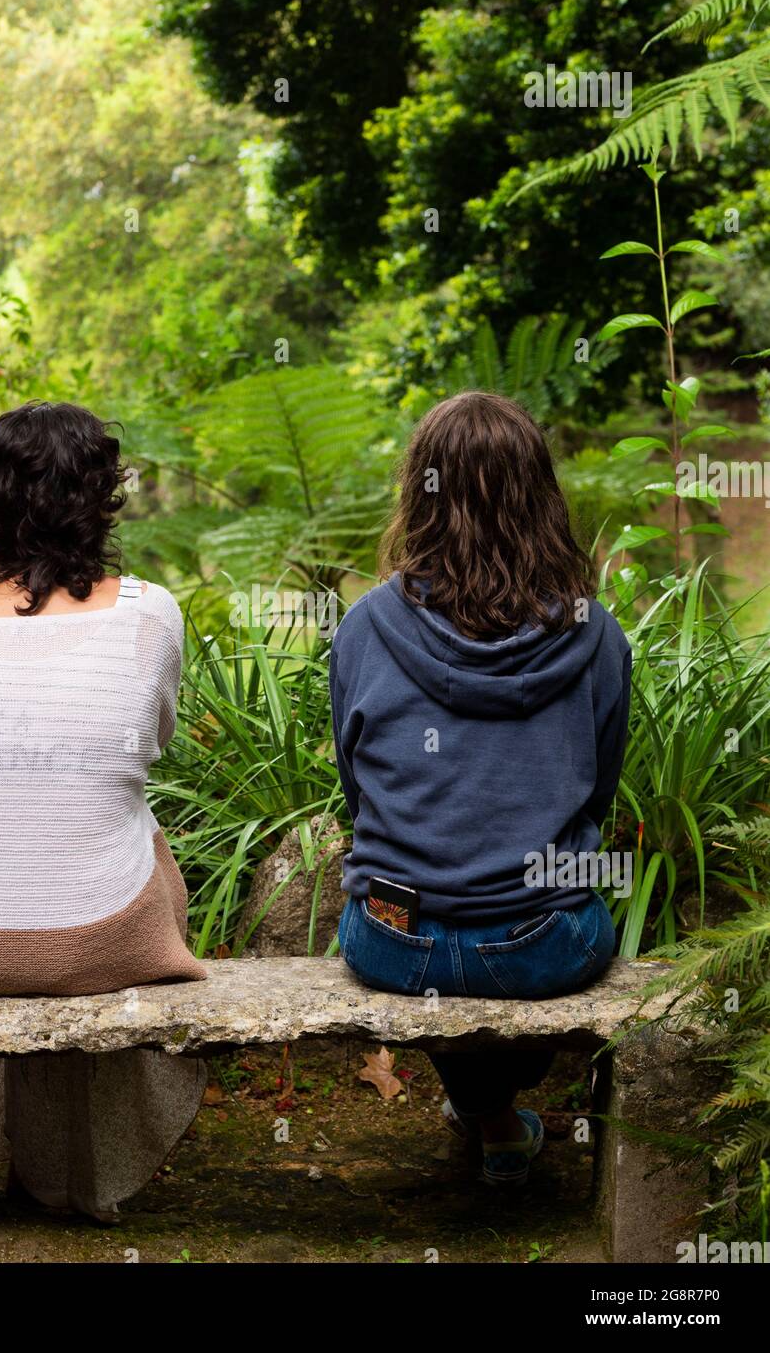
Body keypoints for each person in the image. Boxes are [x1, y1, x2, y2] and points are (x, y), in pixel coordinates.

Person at [0, 399, 206, 1222]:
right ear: (101, 499)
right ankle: (89, 1166)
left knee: (10, 835)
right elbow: (151, 749)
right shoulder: (150, 613)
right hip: (107, 935)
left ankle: (21, 1153)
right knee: (131, 840)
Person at [330, 391, 632, 1187]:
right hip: (543, 942)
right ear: (542, 499)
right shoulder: (595, 635)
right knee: (582, 890)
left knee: (442, 939)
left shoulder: (364, 627)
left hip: (392, 936)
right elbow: (596, 793)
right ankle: (496, 1113)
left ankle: (488, 1113)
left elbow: (358, 787)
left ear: (417, 494)